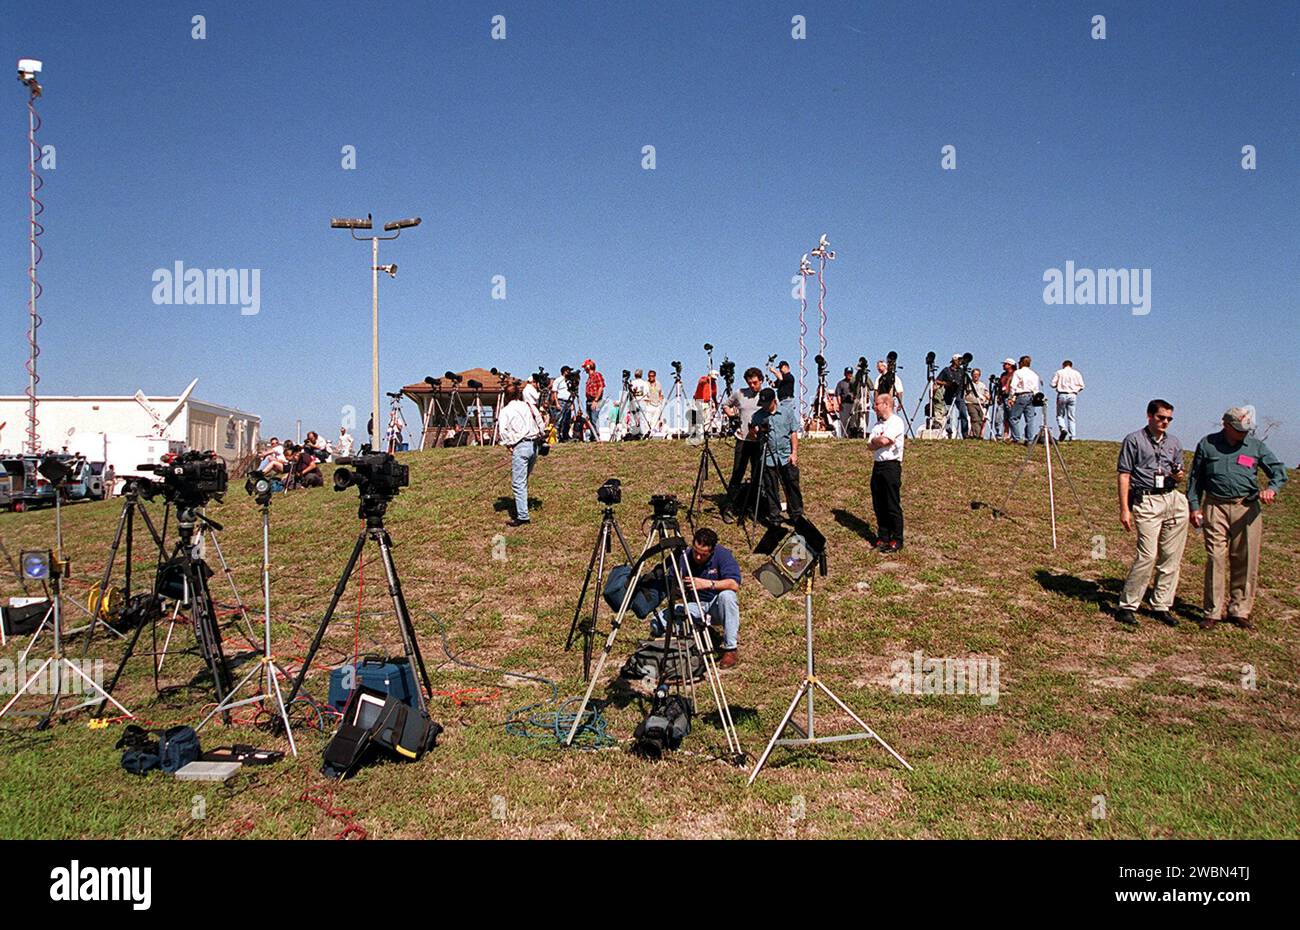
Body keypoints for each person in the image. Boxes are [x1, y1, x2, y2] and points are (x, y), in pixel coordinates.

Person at [1186, 406, 1288, 630]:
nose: (1244, 433)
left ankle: (1239, 610)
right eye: (1239, 429)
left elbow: (1279, 471)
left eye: (1246, 429)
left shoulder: (1255, 446)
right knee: (1215, 558)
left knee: (1245, 559)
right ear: (1226, 425)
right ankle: (1211, 612)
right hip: (1215, 506)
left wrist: (1272, 489)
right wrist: (1194, 507)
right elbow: (1195, 480)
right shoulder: (1207, 444)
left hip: (1247, 508)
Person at [1115, 400, 1188, 627]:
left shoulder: (1174, 442)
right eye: (1161, 418)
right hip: (1146, 500)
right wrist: (1124, 509)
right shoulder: (1134, 440)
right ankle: (1127, 605)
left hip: (1172, 499)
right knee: (1147, 555)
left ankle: (1162, 604)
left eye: (1169, 419)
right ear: (1149, 416)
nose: (1165, 422)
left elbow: (1180, 473)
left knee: (1171, 557)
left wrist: (1178, 476)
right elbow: (1124, 475)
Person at [679, 527, 743, 668]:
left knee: (728, 596)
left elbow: (734, 584)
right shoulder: (685, 557)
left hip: (716, 605)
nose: (698, 557)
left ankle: (730, 649)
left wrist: (707, 584)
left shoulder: (723, 555)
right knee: (666, 616)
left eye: (703, 554)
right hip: (695, 606)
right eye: (696, 552)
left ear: (712, 551)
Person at [749, 387, 803, 524]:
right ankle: (775, 515)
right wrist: (754, 431)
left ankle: (796, 514)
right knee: (771, 487)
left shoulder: (787, 413)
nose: (764, 407)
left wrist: (794, 453)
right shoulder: (757, 416)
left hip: (785, 455)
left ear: (774, 401)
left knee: (791, 485)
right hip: (767, 456)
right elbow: (754, 438)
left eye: (767, 404)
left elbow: (793, 432)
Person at [497, 380, 545, 526]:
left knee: (518, 482)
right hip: (534, 445)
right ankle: (523, 507)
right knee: (523, 478)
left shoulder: (505, 411)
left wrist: (509, 444)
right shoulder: (529, 405)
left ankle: (523, 516)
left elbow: (503, 431)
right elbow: (540, 422)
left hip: (521, 445)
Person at [721, 367, 764, 517]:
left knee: (757, 475)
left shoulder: (766, 395)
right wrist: (732, 416)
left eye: (755, 383)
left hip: (758, 441)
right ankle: (729, 507)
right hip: (742, 439)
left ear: (761, 381)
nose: (752, 386)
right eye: (750, 383)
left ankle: (753, 507)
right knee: (737, 473)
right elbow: (725, 405)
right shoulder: (739, 393)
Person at [868, 392, 905, 552]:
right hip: (877, 466)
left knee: (892, 503)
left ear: (886, 404)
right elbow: (869, 444)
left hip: (891, 466)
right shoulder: (877, 425)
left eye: (877, 404)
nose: (874, 407)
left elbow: (884, 440)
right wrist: (878, 441)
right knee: (879, 503)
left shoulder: (896, 422)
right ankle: (883, 536)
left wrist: (878, 440)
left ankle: (896, 538)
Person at [1007, 355, 1041, 445]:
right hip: (1032, 396)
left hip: (1021, 395)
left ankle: (1016, 438)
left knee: (1013, 417)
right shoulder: (1034, 374)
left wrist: (1011, 397)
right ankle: (1029, 439)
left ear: (1021, 363)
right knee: (1030, 419)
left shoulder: (1018, 373)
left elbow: (1013, 386)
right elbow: (1036, 388)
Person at [1050, 360, 1086, 441]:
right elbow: (1082, 386)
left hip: (1062, 394)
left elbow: (1052, 384)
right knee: (1071, 416)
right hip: (1073, 395)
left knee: (1060, 415)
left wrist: (1058, 385)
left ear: (1063, 365)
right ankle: (1072, 436)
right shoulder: (1076, 373)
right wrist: (1076, 390)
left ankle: (1063, 428)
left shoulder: (1059, 372)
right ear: (1071, 365)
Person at [936, 354, 969, 438]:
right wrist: (947, 383)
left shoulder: (962, 371)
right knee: (948, 414)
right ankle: (949, 431)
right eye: (959, 360)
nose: (961, 362)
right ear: (954, 360)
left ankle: (965, 434)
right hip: (948, 394)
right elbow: (938, 380)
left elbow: (966, 383)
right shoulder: (946, 370)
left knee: (963, 413)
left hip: (959, 394)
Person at [581, 359, 605, 442]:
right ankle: (592, 435)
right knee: (590, 419)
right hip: (589, 400)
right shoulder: (589, 378)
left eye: (585, 367)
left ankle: (596, 436)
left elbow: (601, 387)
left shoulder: (597, 375)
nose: (584, 369)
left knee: (594, 418)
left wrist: (596, 400)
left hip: (595, 400)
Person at [966, 368, 990, 439]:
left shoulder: (982, 385)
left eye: (977, 375)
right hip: (971, 403)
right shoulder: (968, 384)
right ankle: (977, 435)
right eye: (974, 374)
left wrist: (987, 398)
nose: (975, 376)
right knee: (975, 418)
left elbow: (987, 393)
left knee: (981, 419)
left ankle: (977, 434)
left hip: (981, 404)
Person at [994, 359, 1015, 441]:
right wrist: (998, 395)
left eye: (1005, 364)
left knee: (1009, 416)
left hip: (1010, 396)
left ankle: (1007, 434)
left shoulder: (1015, 374)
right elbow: (1000, 385)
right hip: (1002, 397)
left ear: (1010, 365)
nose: (1003, 366)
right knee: (999, 416)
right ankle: (999, 434)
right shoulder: (1003, 375)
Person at [555, 366, 577, 442]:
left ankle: (565, 436)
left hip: (569, 402)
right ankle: (557, 436)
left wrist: (572, 404)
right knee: (559, 419)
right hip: (561, 401)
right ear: (564, 371)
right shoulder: (558, 380)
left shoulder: (570, 381)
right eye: (568, 371)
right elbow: (554, 391)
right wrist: (557, 403)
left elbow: (572, 391)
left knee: (567, 420)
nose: (569, 373)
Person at [642, 369, 665, 437]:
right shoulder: (646, 384)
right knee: (647, 421)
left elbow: (661, 393)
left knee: (655, 422)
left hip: (657, 405)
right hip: (649, 405)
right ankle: (646, 434)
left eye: (652, 376)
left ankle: (652, 434)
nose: (651, 377)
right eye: (649, 376)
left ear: (655, 376)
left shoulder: (658, 384)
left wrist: (660, 402)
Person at [834, 367, 854, 438]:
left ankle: (853, 436)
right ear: (845, 374)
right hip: (844, 404)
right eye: (848, 373)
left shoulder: (854, 382)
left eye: (850, 373)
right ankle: (844, 436)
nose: (849, 375)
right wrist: (839, 404)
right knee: (844, 421)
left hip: (853, 404)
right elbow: (838, 394)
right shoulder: (841, 383)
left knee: (853, 422)